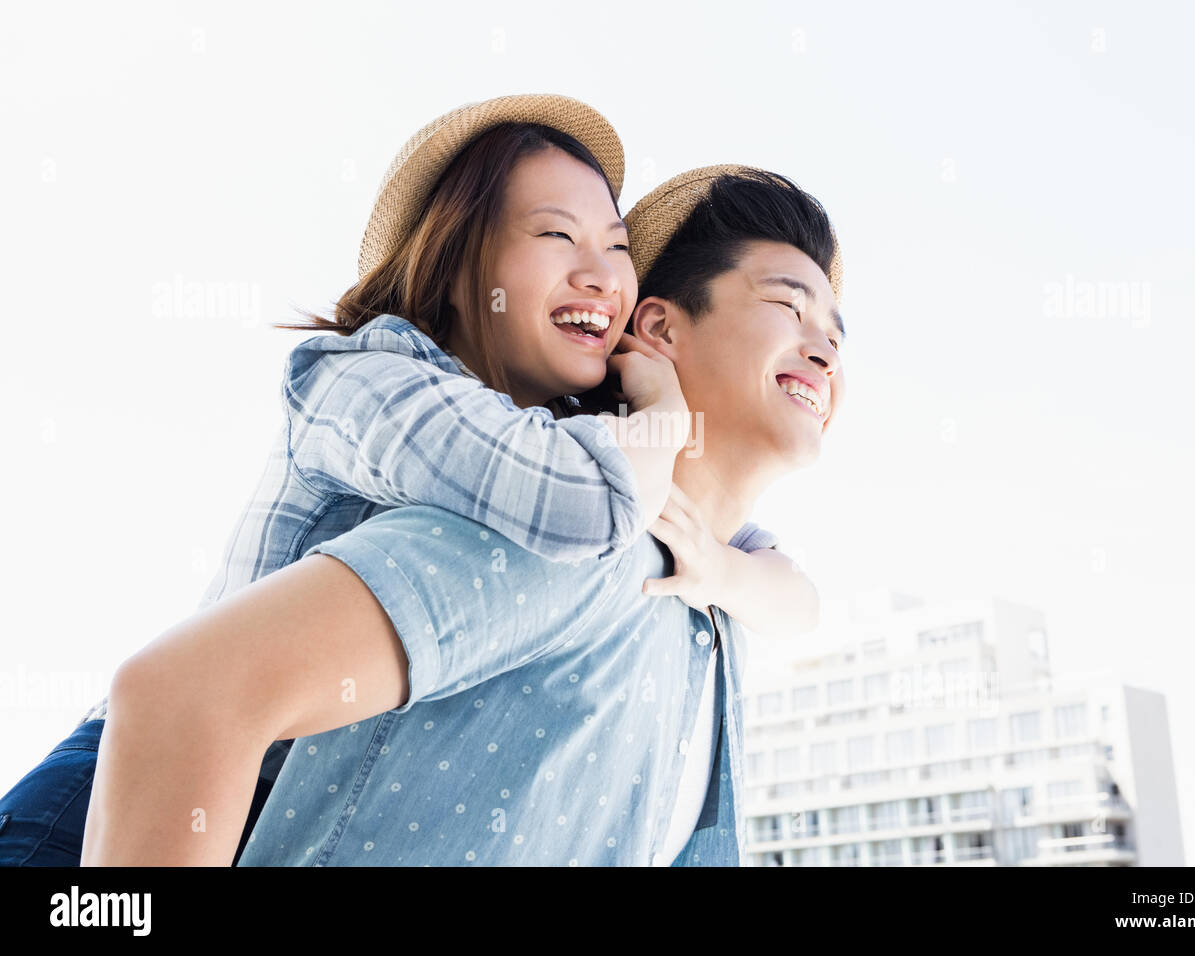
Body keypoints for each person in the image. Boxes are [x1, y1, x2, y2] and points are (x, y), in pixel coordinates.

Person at [0, 95, 815, 866]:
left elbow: (793, 597)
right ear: (463, 263)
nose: (601, 274)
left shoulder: (559, 443)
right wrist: (661, 414)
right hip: (124, 790)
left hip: (268, 781)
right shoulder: (363, 377)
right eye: (557, 237)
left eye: (617, 247)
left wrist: (717, 565)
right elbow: (585, 508)